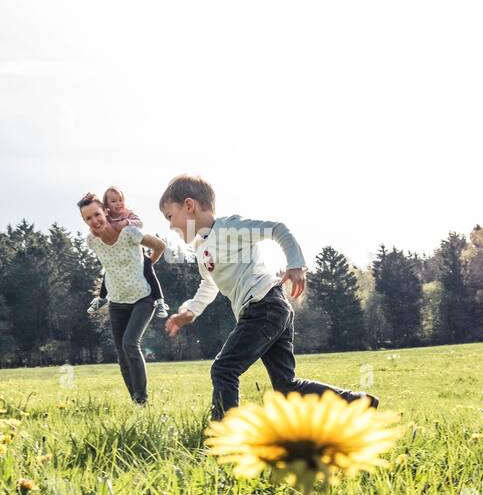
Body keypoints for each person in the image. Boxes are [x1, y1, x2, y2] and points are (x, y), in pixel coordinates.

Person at [157, 173, 378, 420]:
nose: (170, 225)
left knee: (224, 369)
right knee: (286, 387)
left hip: (264, 306)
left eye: (170, 216)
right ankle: (358, 403)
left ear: (189, 206)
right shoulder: (201, 249)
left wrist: (295, 264)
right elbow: (209, 285)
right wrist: (191, 311)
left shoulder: (229, 228)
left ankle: (223, 435)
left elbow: (277, 229)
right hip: (268, 309)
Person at [78, 193, 166, 404]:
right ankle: (137, 404)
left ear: (106, 212)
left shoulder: (129, 233)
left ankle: (142, 398)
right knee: (122, 355)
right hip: (117, 302)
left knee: (130, 344)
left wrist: (146, 266)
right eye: (88, 218)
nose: (94, 221)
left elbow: (160, 246)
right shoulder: (92, 242)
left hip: (143, 298)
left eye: (97, 214)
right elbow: (109, 268)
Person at [87, 185, 169, 319]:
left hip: (136, 255)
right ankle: (101, 298)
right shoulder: (105, 218)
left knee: (149, 270)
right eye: (113, 201)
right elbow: (97, 228)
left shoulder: (127, 213)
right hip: (116, 256)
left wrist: (126, 222)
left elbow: (140, 223)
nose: (118, 204)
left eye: (120, 200)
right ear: (106, 206)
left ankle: (160, 301)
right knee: (109, 271)